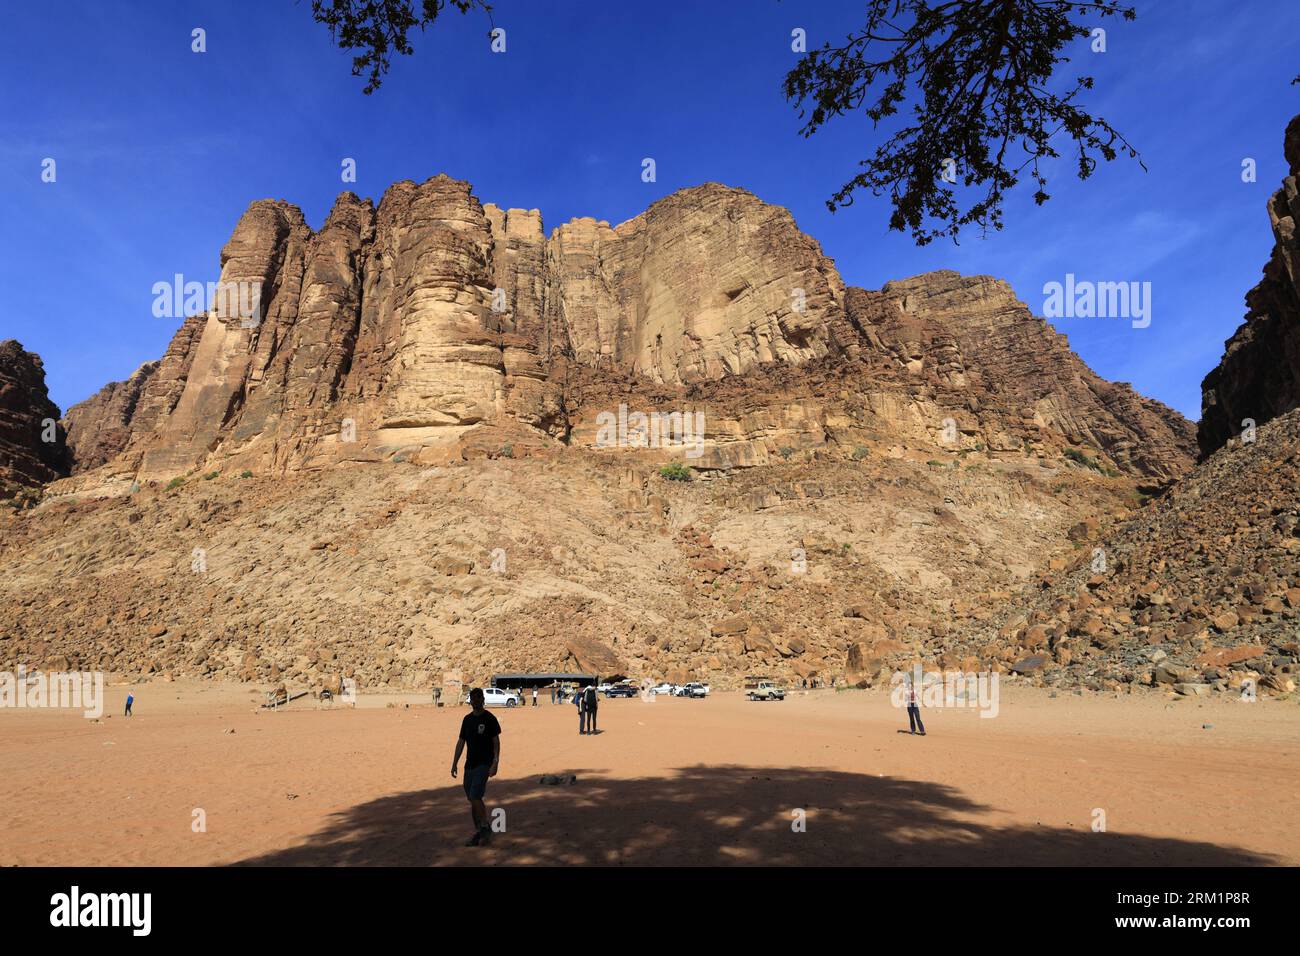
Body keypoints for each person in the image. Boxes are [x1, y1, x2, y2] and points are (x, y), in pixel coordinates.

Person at [451, 688, 501, 847]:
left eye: (478, 698)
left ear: (482, 700)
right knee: (472, 799)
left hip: (483, 764)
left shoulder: (489, 718)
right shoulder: (467, 720)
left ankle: (485, 827)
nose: (475, 701)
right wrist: (454, 762)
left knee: (475, 796)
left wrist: (495, 762)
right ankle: (479, 831)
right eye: (472, 698)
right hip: (469, 765)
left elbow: (496, 742)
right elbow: (461, 742)